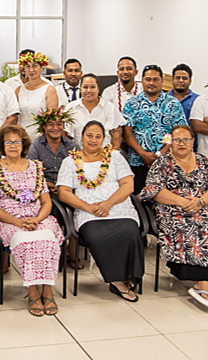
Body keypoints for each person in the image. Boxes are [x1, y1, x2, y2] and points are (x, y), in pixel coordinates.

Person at [140, 125, 208, 310]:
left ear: (193, 141)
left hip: (201, 207)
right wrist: (183, 203)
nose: (181, 143)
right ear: (170, 143)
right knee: (190, 226)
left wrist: (200, 202)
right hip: (171, 210)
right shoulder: (162, 162)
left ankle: (202, 284)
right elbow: (154, 191)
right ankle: (202, 286)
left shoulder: (203, 161)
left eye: (186, 140)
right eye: (177, 140)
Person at [57, 121, 143, 301]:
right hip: (88, 212)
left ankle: (128, 274)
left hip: (119, 208)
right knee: (96, 235)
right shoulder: (70, 161)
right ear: (81, 137)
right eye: (89, 135)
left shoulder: (116, 157)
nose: (93, 140)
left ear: (104, 139)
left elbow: (128, 185)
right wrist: (89, 207)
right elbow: (64, 193)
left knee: (130, 232)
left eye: (98, 136)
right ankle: (117, 280)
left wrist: (107, 204)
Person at [0, 125, 64, 316]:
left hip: (38, 218)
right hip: (8, 221)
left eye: (17, 142)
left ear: (24, 145)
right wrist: (18, 222)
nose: (13, 145)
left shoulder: (36, 167)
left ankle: (47, 289)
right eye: (8, 142)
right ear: (2, 146)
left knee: (47, 240)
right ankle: (32, 292)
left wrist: (36, 219)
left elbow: (46, 202)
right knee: (28, 243)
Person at [27, 107, 81, 267]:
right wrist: (51, 185)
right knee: (52, 211)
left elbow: (80, 169)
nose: (55, 127)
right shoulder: (36, 145)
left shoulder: (72, 145)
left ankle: (73, 255)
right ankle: (52, 255)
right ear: (43, 126)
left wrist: (65, 185)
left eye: (59, 124)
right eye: (51, 124)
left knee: (75, 211)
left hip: (69, 187)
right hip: (44, 189)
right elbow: (31, 171)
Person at [123, 65, 187, 194]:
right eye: (148, 79)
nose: (151, 83)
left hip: (168, 163)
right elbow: (127, 132)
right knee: (140, 200)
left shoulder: (173, 103)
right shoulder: (131, 103)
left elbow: (177, 132)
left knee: (168, 199)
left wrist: (161, 154)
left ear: (162, 81)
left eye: (155, 79)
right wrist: (143, 153)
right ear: (142, 81)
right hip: (138, 162)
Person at [65, 73, 125, 146]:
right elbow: (66, 137)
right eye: (85, 87)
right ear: (80, 89)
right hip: (78, 154)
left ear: (98, 89)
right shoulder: (70, 108)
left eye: (93, 87)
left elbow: (116, 136)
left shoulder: (110, 108)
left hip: (104, 154)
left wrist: (112, 155)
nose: (89, 90)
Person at [15, 51, 59, 139]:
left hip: (41, 137)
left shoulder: (49, 89)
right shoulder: (19, 90)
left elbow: (52, 118)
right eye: (28, 66)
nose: (31, 70)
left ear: (41, 67)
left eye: (34, 66)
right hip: (22, 136)